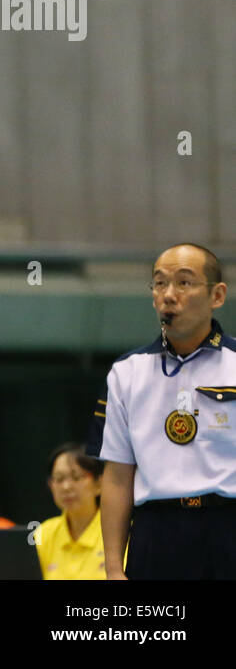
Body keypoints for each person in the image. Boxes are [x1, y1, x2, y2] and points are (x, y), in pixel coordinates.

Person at [88, 242, 236, 580]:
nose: (169, 294)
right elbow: (116, 477)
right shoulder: (126, 373)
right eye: (160, 283)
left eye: (184, 282)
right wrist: (113, 568)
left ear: (217, 295)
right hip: (156, 533)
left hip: (228, 525)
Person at [35, 443, 105, 580]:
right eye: (59, 479)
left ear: (99, 483)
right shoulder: (43, 533)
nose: (66, 487)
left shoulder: (120, 533)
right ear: (51, 485)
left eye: (76, 477)